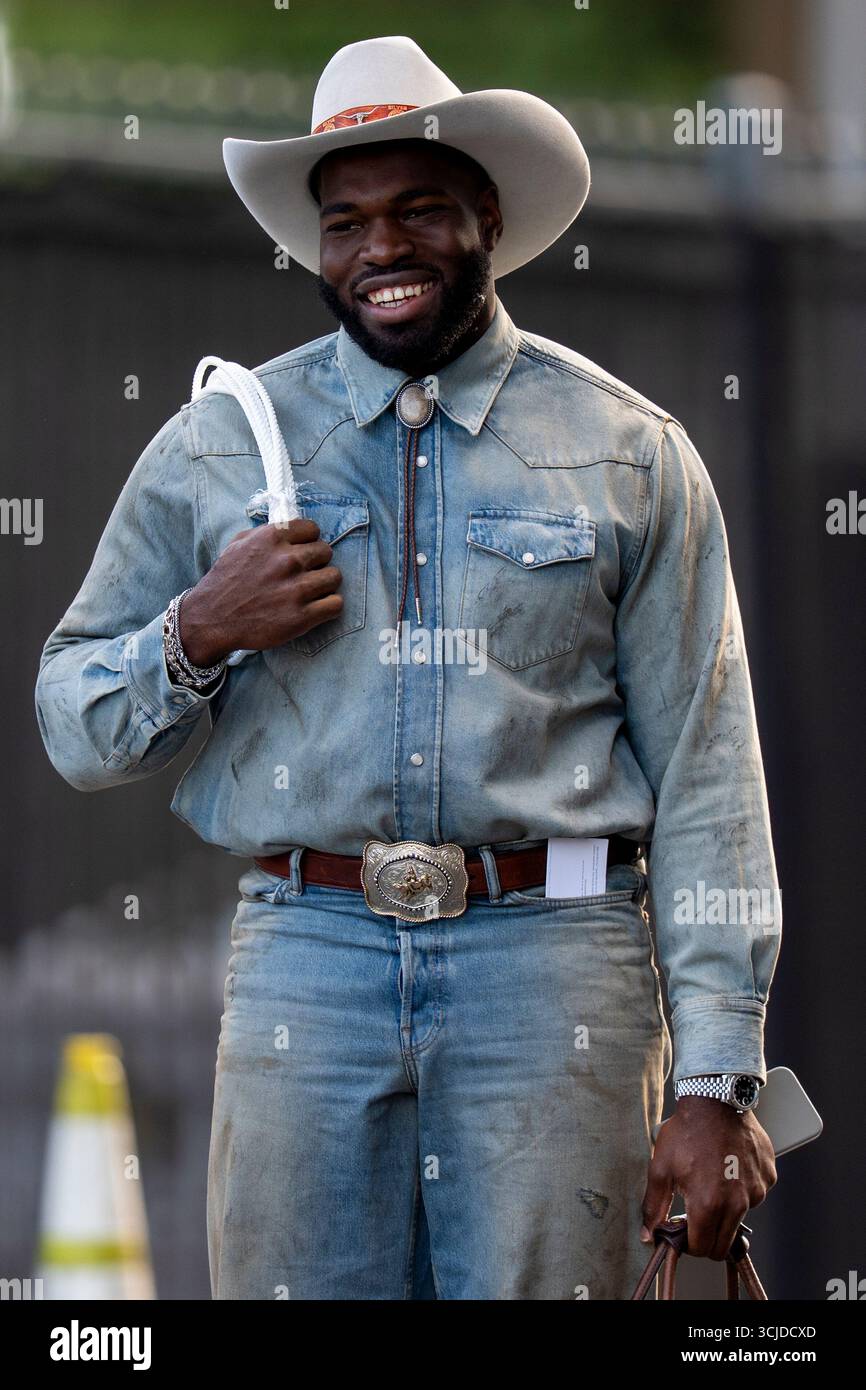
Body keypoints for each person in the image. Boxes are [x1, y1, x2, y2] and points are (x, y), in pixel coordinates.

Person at [35, 36, 780, 1300]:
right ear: (315, 244)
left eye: (417, 210)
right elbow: (71, 721)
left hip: (554, 974)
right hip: (304, 963)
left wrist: (714, 1075)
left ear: (484, 212)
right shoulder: (218, 447)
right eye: (345, 223)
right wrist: (198, 633)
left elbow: (708, 780)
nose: (380, 249)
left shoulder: (627, 453)